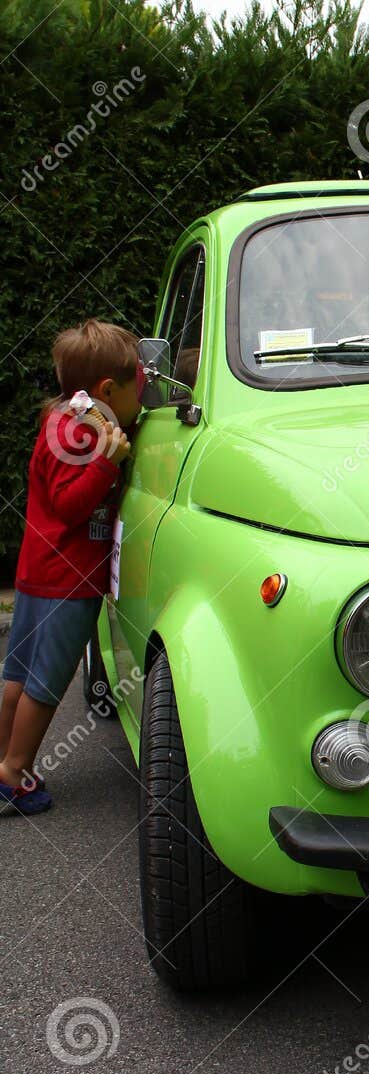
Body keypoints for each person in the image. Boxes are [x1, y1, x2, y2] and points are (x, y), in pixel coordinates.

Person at [0, 319, 141, 815]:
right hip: (67, 581)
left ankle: (4, 761)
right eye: (139, 385)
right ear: (108, 390)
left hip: (40, 571)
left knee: (19, 674)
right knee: (44, 684)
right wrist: (108, 462)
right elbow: (67, 505)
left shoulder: (66, 419)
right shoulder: (81, 436)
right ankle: (14, 776)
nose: (144, 394)